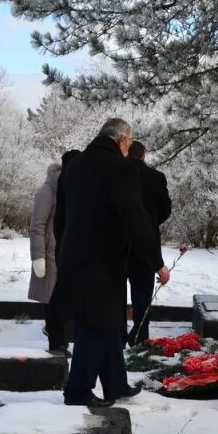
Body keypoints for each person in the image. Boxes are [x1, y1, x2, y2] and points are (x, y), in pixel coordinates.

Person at [57, 118, 170, 407]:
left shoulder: (75, 166)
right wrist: (156, 262)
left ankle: (115, 383)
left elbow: (62, 217)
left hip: (74, 255)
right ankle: (78, 389)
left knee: (107, 321)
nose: (128, 149)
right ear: (122, 140)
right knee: (95, 323)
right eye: (129, 144)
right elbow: (135, 216)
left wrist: (63, 252)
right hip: (103, 258)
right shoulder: (121, 168)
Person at [124, 141, 172, 346]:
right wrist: (149, 222)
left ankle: (117, 335)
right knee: (142, 292)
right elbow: (165, 210)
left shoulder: (117, 174)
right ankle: (139, 336)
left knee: (115, 292)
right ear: (144, 156)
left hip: (119, 242)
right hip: (147, 244)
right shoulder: (156, 178)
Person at [29, 154, 69, 356]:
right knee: (52, 301)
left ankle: (62, 340)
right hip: (50, 255)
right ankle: (56, 343)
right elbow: (37, 226)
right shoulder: (47, 191)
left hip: (67, 253)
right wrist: (38, 257)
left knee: (63, 301)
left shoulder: (69, 191)